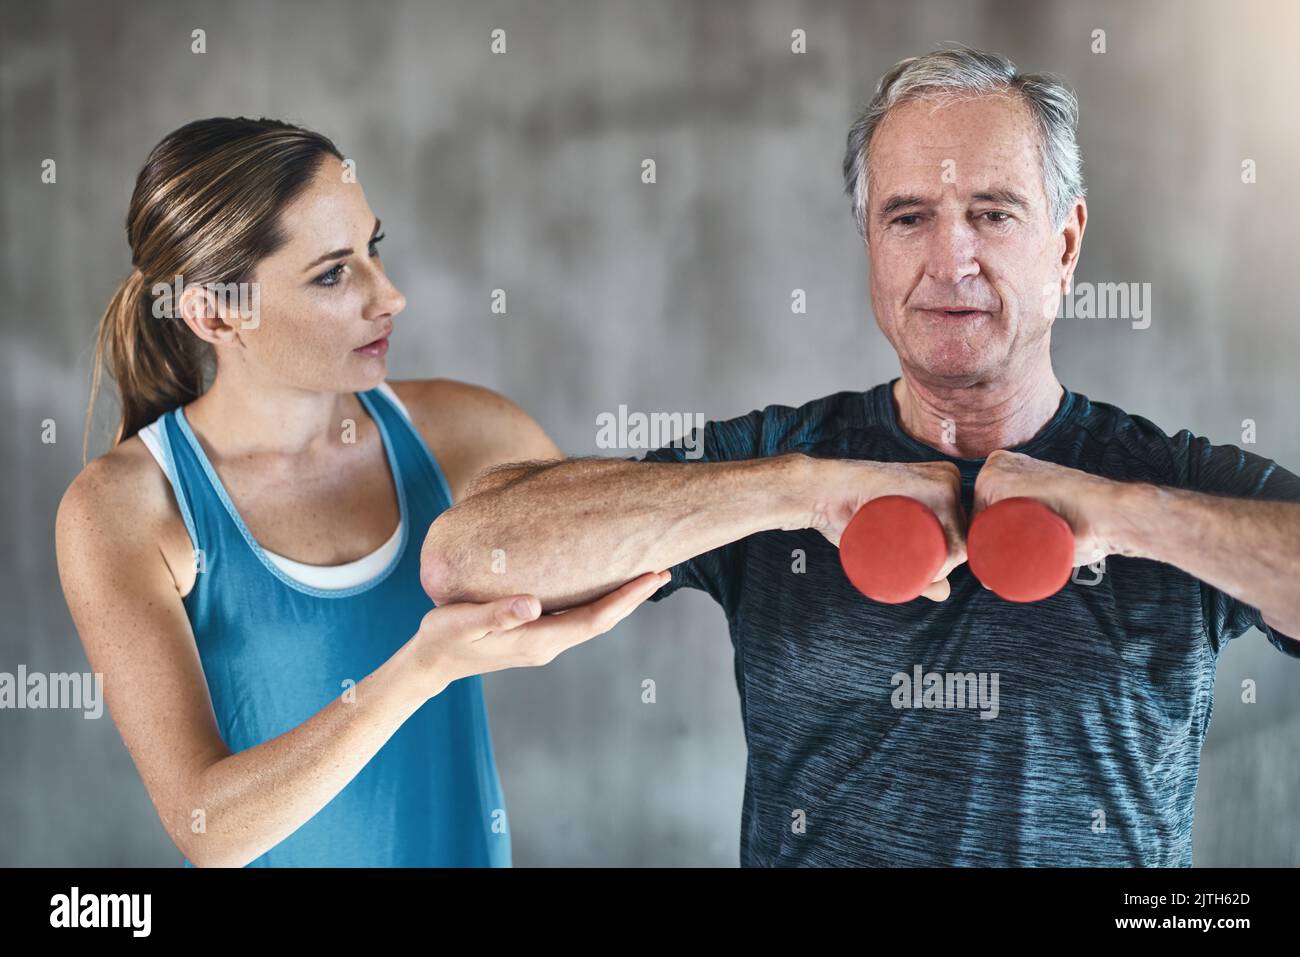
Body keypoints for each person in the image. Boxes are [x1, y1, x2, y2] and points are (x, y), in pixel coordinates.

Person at [419, 46, 1300, 866]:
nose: (951, 259)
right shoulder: (776, 462)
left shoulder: (1175, 479)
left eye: (992, 214)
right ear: (872, 248)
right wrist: (805, 491)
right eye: (909, 217)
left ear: (1064, 246)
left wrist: (1122, 514)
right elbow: (470, 556)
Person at [54, 117, 667, 867]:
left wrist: (803, 488)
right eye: (331, 273)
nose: (391, 296)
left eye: (372, 249)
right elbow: (207, 827)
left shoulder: (463, 432)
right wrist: (423, 668)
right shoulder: (126, 509)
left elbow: (646, 530)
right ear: (215, 313)